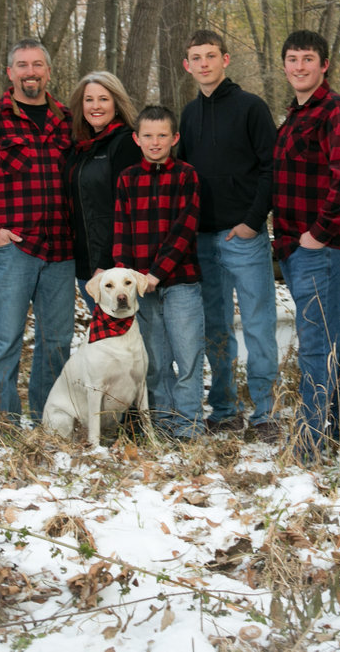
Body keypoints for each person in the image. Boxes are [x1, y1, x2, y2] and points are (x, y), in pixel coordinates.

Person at [0, 39, 75, 424]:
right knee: (5, 340)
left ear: (48, 71)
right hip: (11, 250)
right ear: (10, 72)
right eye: (22, 65)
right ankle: (5, 422)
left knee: (56, 342)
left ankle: (48, 420)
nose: (30, 72)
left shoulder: (68, 120)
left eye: (37, 64)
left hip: (61, 249)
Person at [177, 30, 279, 441]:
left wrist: (253, 221)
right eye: (196, 57)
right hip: (201, 239)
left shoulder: (251, 108)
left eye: (211, 56)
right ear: (187, 66)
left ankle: (265, 415)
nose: (204, 63)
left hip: (245, 238)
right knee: (215, 328)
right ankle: (224, 410)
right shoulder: (187, 115)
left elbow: (272, 169)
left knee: (258, 325)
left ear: (226, 59)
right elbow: (180, 176)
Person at [271, 30, 340, 460]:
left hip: (322, 249)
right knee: (332, 341)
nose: (299, 66)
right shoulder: (296, 115)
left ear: (323, 64)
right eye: (292, 59)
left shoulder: (336, 112)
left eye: (308, 59)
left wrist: (318, 234)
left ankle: (308, 443)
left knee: (315, 345)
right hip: (297, 248)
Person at [113, 106, 205, 440]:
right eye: (148, 136)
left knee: (188, 356)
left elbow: (184, 229)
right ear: (137, 139)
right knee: (155, 361)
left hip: (181, 282)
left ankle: (190, 425)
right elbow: (121, 232)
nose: (155, 142)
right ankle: (164, 425)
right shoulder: (126, 179)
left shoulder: (186, 175)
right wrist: (129, 280)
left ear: (174, 138)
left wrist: (156, 273)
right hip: (141, 287)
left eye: (162, 135)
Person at [65, 71, 141, 311]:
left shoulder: (127, 142)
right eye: (89, 99)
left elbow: (126, 209)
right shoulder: (81, 147)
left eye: (103, 99)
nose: (95, 106)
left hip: (114, 269)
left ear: (117, 103)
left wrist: (107, 263)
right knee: (111, 343)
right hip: (87, 265)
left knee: (132, 341)